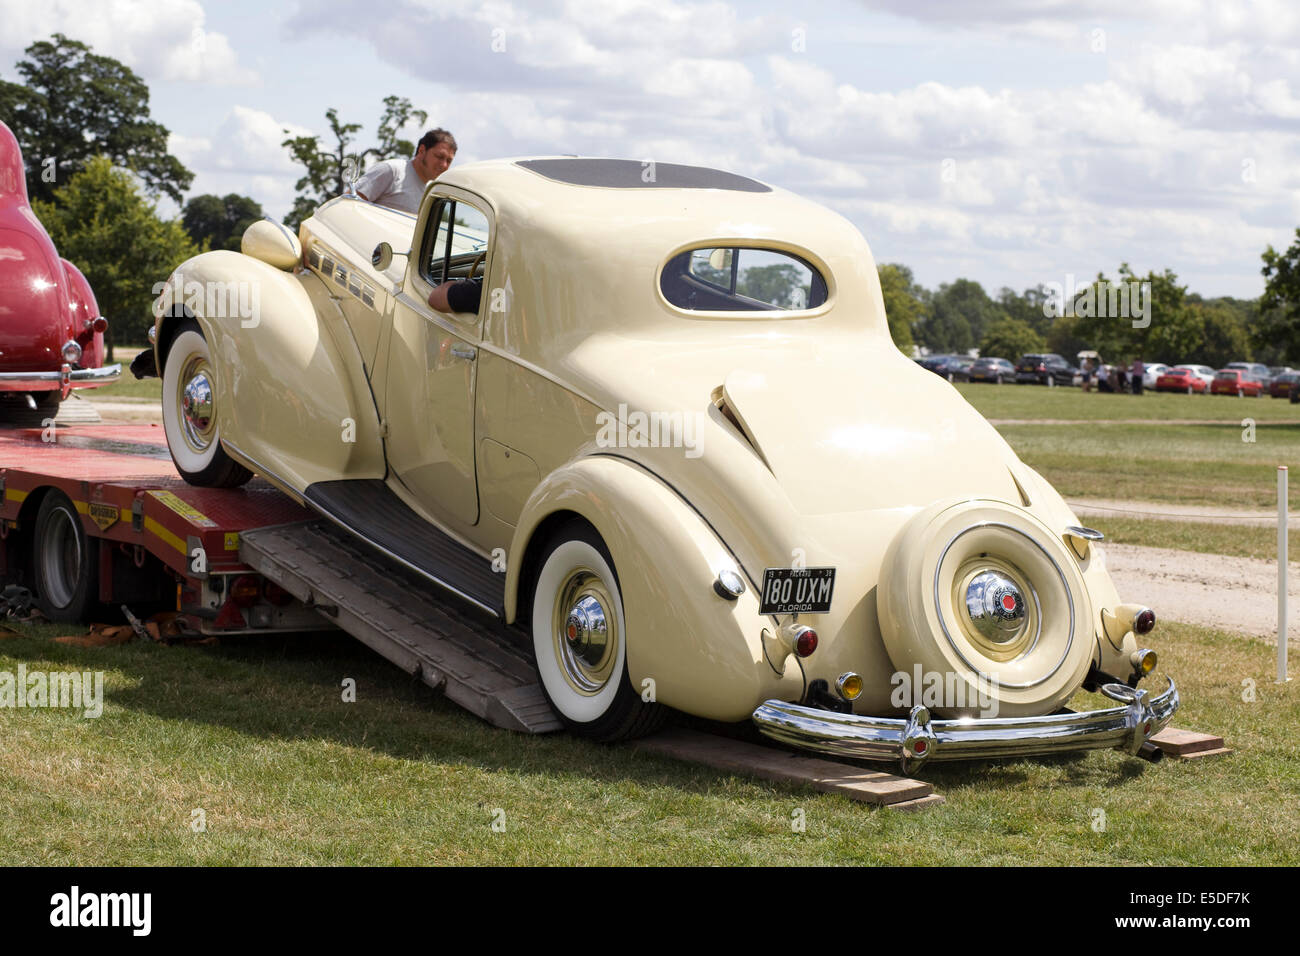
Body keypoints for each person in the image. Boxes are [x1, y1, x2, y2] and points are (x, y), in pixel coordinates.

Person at [354, 129, 457, 215]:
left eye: (449, 161)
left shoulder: (430, 196)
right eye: (439, 156)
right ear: (422, 151)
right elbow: (348, 205)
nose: (444, 165)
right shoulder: (391, 170)